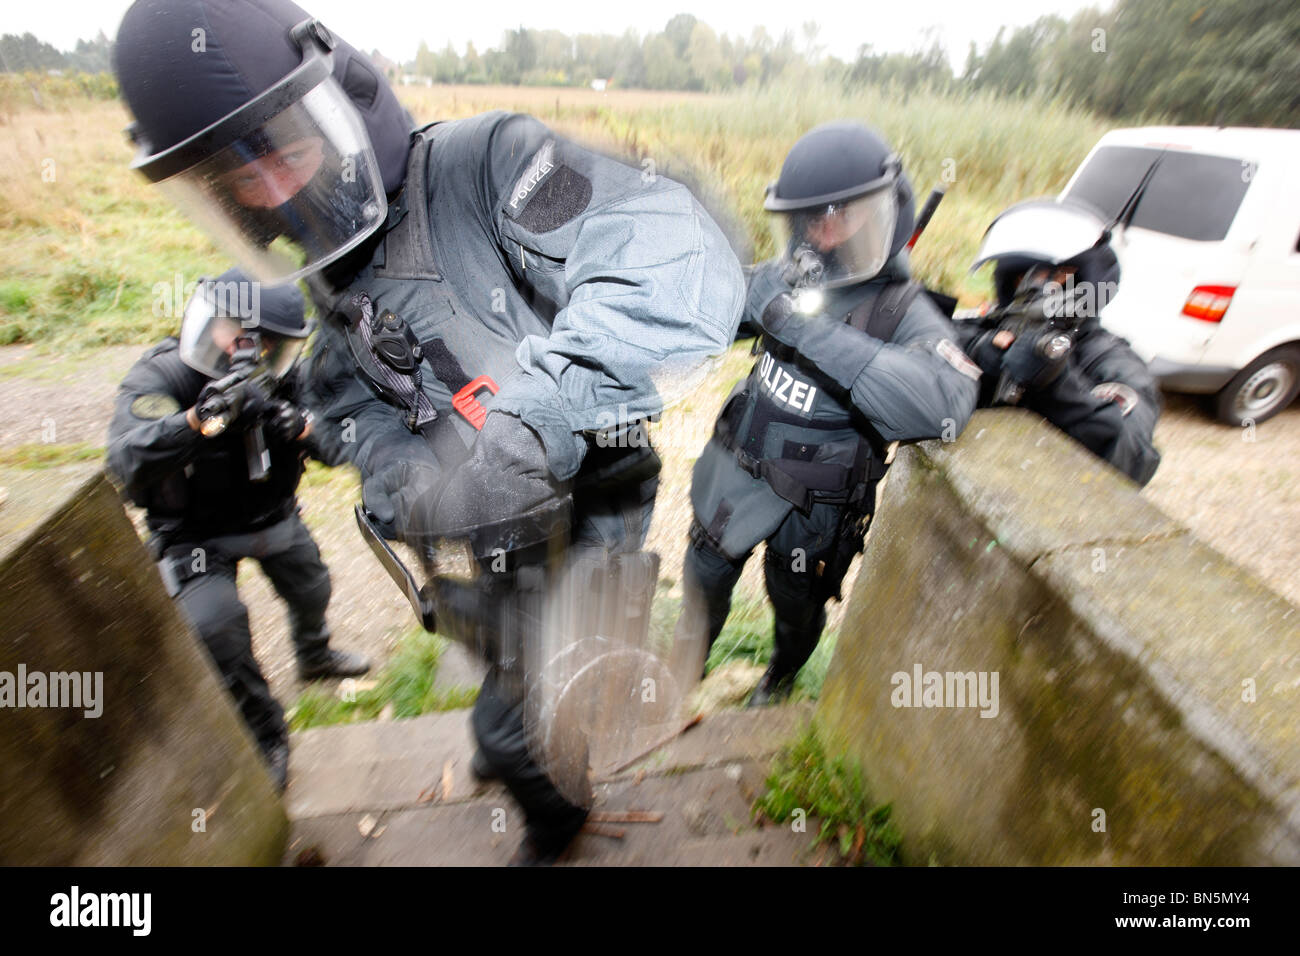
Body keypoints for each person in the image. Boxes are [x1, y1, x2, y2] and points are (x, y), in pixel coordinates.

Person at [112, 0, 743, 864]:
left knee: (527, 718)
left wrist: (534, 421)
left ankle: (555, 821)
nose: (269, 192)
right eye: (234, 179)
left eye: (284, 150)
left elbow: (668, 251)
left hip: (594, 491)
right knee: (497, 657)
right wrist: (409, 482)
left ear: (343, 97)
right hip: (487, 527)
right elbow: (347, 410)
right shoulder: (328, 270)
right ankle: (512, 737)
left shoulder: (490, 165)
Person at [675, 121, 981, 706]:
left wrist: (799, 327)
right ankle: (679, 678)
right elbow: (720, 302)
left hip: (817, 503)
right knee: (702, 579)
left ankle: (780, 681)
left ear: (886, 212)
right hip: (739, 471)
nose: (825, 229)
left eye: (843, 212)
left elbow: (943, 399)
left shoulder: (903, 313)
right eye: (812, 216)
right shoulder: (792, 272)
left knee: (794, 603)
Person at [106, 269, 370, 793]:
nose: (256, 352)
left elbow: (343, 443)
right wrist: (196, 422)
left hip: (271, 517)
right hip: (193, 535)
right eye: (245, 337)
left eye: (274, 344)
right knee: (214, 627)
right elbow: (125, 461)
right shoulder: (163, 377)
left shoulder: (285, 377)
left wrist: (296, 424)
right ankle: (265, 732)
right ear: (215, 323)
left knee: (312, 585)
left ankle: (315, 654)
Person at [952, 198, 1162, 487]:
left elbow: (1132, 455)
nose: (1032, 287)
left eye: (1053, 277)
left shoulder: (1107, 357)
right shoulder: (984, 325)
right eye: (1020, 277)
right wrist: (975, 350)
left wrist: (1057, 386)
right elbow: (920, 340)